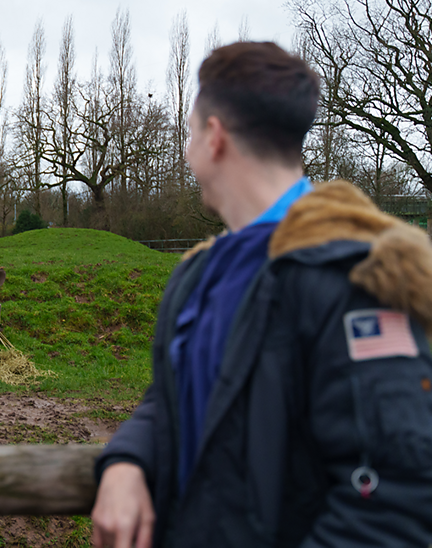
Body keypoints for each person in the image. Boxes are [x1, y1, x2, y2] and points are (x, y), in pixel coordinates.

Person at [91, 41, 432, 547]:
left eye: (189, 132)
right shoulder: (200, 272)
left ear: (214, 137)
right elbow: (174, 394)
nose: (188, 150)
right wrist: (126, 460)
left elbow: (396, 503)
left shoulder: (358, 275)